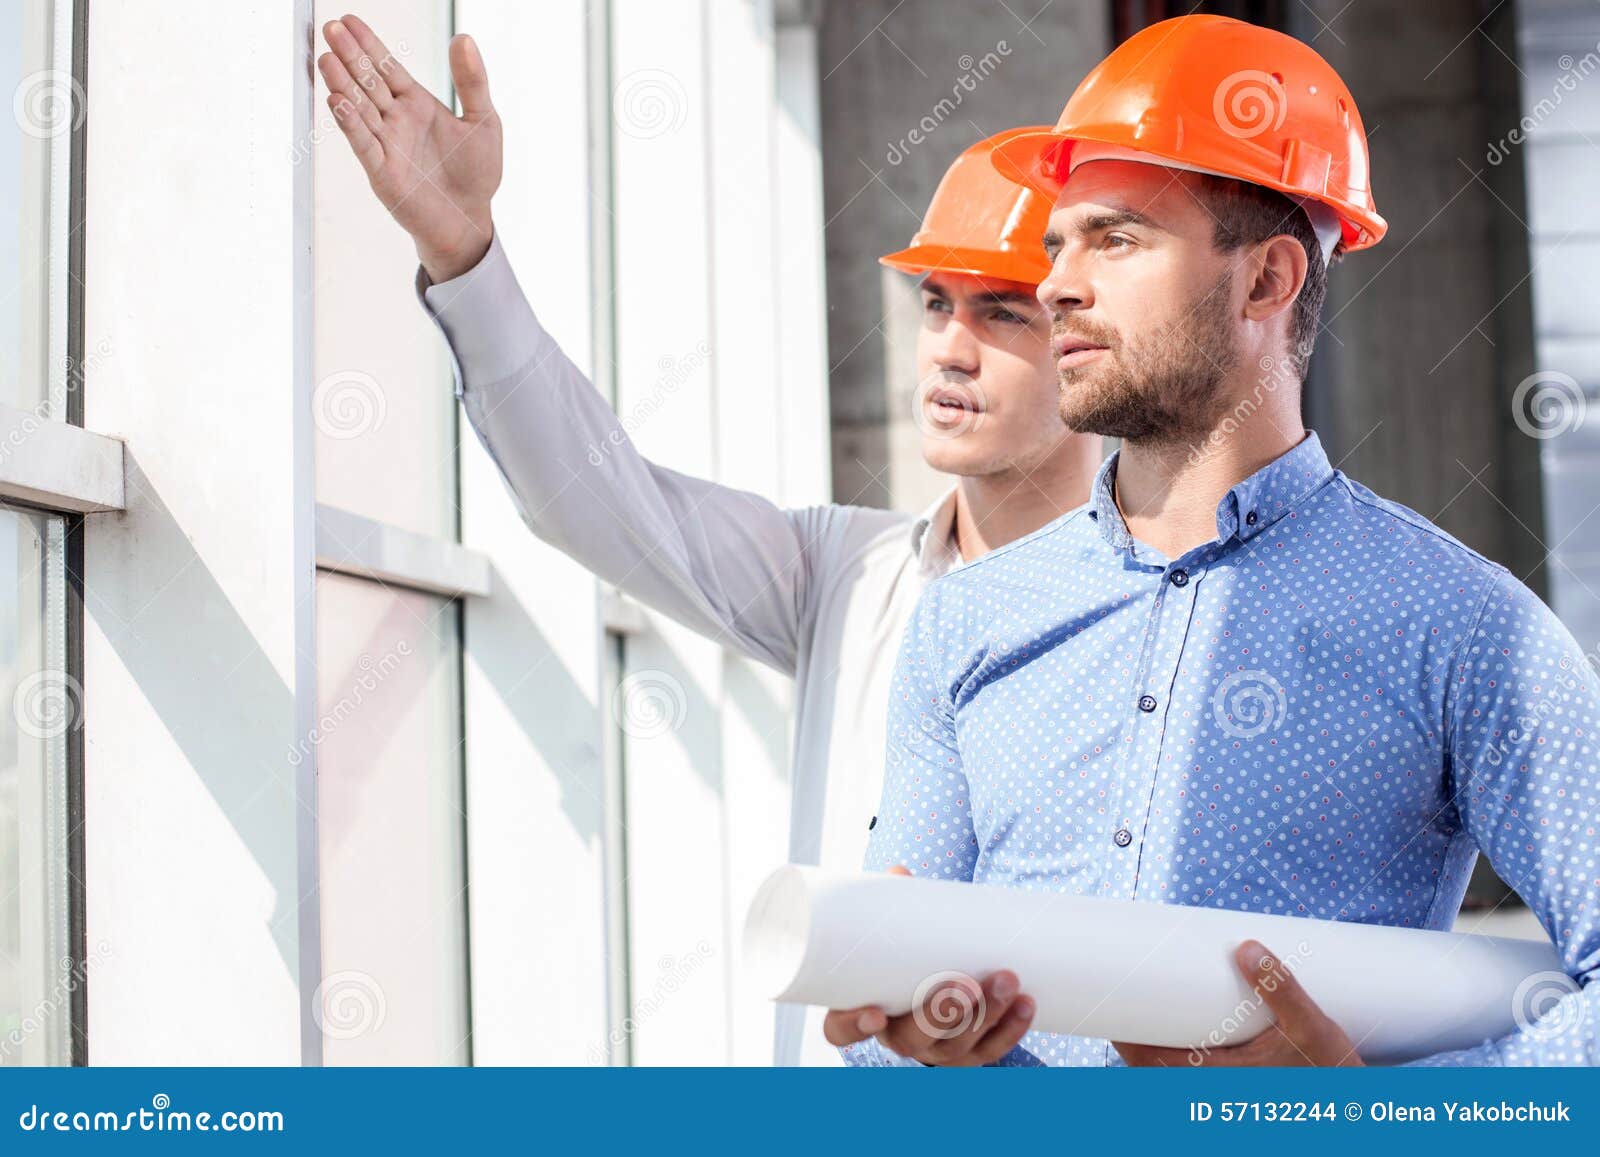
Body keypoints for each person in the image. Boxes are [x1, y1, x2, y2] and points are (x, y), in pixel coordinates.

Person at [315, 14, 1102, 1065]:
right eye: (933, 303)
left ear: (1089, 341)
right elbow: (590, 498)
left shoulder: (1164, 614)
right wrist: (461, 249)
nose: (950, 351)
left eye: (1004, 314)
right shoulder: (849, 575)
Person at [829, 13, 1600, 1068]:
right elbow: (881, 1037)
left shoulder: (1462, 628)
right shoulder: (963, 622)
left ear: (1266, 281)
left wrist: (1379, 1116)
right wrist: (931, 1045)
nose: (1055, 282)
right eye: (1058, 243)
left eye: (1115, 239)